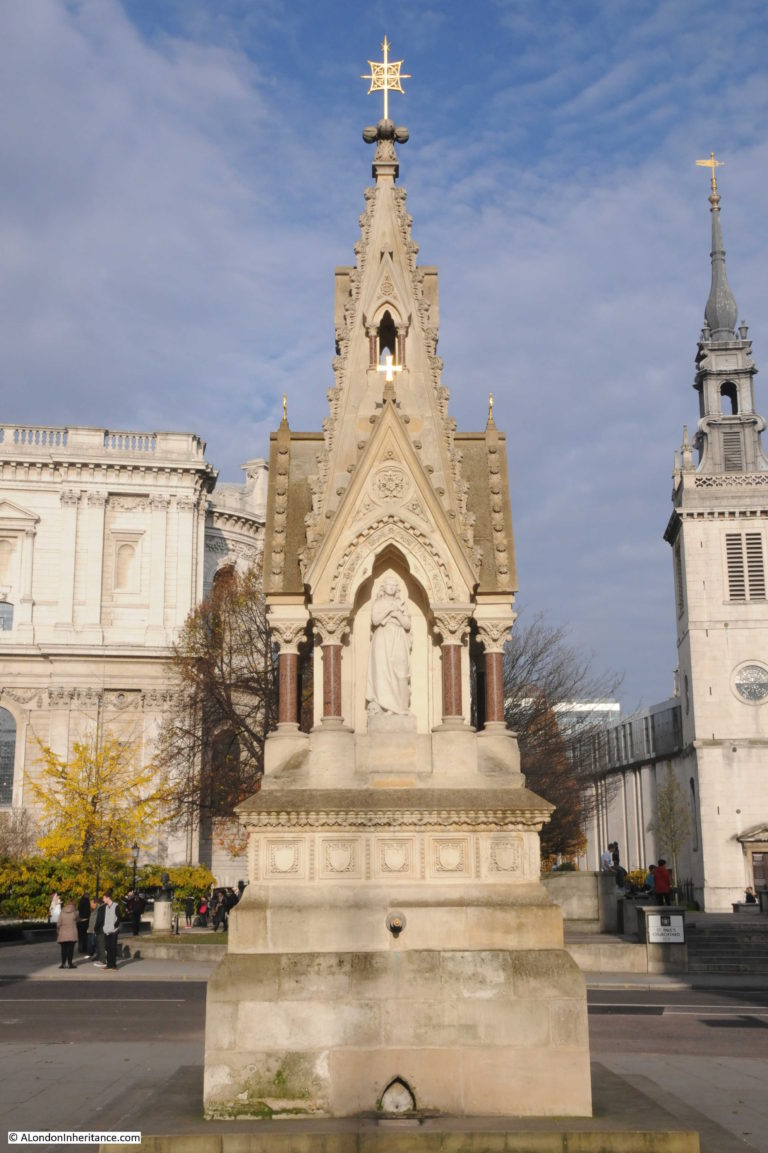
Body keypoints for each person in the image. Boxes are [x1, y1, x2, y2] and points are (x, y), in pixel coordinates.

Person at [366, 578, 411, 715]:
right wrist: (389, 610)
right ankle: (384, 706)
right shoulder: (379, 603)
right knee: (382, 671)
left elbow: (407, 625)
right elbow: (375, 620)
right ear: (383, 587)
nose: (391, 587)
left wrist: (397, 614)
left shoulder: (401, 604)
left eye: (394, 585)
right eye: (389, 585)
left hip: (398, 637)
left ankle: (400, 707)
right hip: (382, 638)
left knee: (401, 672)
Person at [56, 899, 78, 969]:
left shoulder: (62, 912)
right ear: (73, 905)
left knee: (63, 949)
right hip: (72, 933)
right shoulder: (75, 912)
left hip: (63, 933)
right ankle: (70, 963)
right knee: (70, 949)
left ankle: (63, 964)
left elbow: (59, 923)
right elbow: (78, 919)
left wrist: (58, 930)